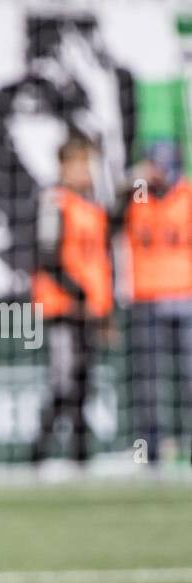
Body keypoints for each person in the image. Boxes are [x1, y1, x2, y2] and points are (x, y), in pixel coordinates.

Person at [29, 132, 116, 465]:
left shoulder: (93, 207)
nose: (86, 171)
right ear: (64, 166)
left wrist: (101, 309)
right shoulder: (55, 202)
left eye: (89, 163)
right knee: (65, 382)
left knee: (82, 384)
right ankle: (38, 456)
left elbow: (99, 264)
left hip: (88, 309)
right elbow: (48, 256)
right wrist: (79, 294)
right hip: (64, 309)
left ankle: (81, 459)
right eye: (80, 163)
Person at [118, 141, 192, 465]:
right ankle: (148, 452)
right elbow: (112, 212)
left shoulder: (187, 195)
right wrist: (133, 180)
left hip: (186, 296)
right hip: (146, 297)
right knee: (148, 382)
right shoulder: (139, 194)